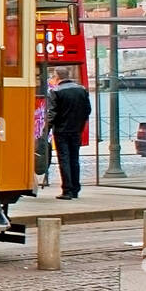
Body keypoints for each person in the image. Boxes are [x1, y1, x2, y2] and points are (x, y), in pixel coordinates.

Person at [46, 67, 91, 200]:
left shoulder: (55, 91)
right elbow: (87, 110)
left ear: (57, 76)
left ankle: (67, 190)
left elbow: (52, 113)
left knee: (64, 159)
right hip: (76, 129)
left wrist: (47, 129)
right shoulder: (81, 90)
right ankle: (76, 189)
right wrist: (80, 124)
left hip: (61, 130)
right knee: (74, 159)